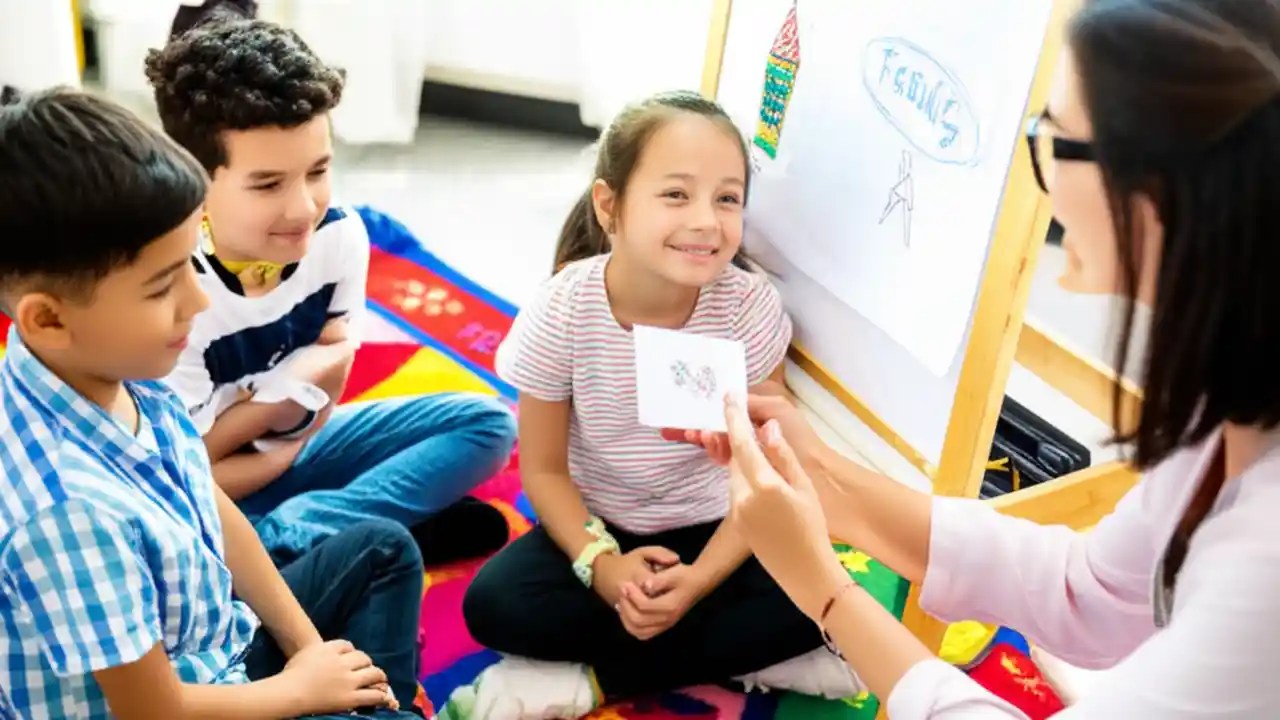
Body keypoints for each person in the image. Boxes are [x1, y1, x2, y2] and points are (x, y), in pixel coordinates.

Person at [682, 1, 1280, 717]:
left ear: (1158, 187)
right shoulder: (1235, 389)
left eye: (1052, 134)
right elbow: (1089, 591)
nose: (1039, 171)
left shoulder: (1265, 556)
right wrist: (826, 481)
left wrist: (828, 593)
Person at [0, 88, 426, 719]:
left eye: (188, 266)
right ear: (49, 320)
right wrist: (300, 692)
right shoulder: (67, 512)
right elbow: (154, 710)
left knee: (384, 550)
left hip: (218, 649)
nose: (198, 303)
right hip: (184, 704)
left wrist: (316, 657)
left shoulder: (115, 362)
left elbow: (210, 502)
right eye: (161, 286)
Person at [441, 91, 862, 720]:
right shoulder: (565, 309)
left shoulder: (749, 309)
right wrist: (602, 566)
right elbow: (546, 472)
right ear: (610, 205)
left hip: (723, 531)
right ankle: (736, 656)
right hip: (599, 528)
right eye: (675, 194)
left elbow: (763, 474)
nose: (705, 221)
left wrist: (697, 583)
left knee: (823, 599)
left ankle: (596, 679)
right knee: (495, 605)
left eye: (727, 199)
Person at [144, 11, 517, 568]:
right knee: (171, 549)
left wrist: (273, 412)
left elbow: (336, 364)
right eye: (268, 184)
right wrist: (282, 411)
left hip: (296, 448)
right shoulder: (171, 288)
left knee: (488, 425)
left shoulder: (339, 234)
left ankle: (304, 539)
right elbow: (192, 468)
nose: (303, 209)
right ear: (194, 177)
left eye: (318, 171)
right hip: (208, 495)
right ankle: (358, 542)